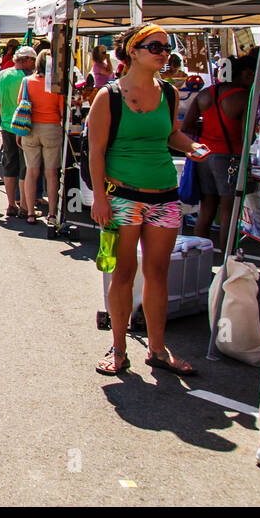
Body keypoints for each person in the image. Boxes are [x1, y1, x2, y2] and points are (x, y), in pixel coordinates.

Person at [91, 22, 207, 377]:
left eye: (166, 47)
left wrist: (191, 147)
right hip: (123, 197)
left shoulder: (169, 92)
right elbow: (95, 151)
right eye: (156, 47)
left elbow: (172, 133)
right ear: (134, 52)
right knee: (124, 273)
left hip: (165, 198)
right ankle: (120, 348)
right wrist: (99, 197)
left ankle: (157, 349)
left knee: (158, 273)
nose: (164, 53)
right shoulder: (109, 95)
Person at [182, 52, 256, 239]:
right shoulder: (244, 97)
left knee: (206, 209)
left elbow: (187, 127)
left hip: (204, 155)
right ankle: (226, 262)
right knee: (228, 212)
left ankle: (201, 256)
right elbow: (247, 136)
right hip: (230, 157)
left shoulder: (205, 94)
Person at [19, 50, 64, 227]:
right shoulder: (56, 84)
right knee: (51, 173)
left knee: (31, 170)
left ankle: (30, 212)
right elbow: (62, 110)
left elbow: (20, 104)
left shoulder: (27, 81)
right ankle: (52, 213)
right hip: (51, 127)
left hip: (29, 127)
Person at [0, 45, 36, 219]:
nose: (33, 64)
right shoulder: (28, 77)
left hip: (6, 125)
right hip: (24, 126)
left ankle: (11, 204)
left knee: (9, 165)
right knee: (25, 167)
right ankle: (25, 206)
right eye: (32, 60)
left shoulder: (2, 74)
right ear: (26, 60)